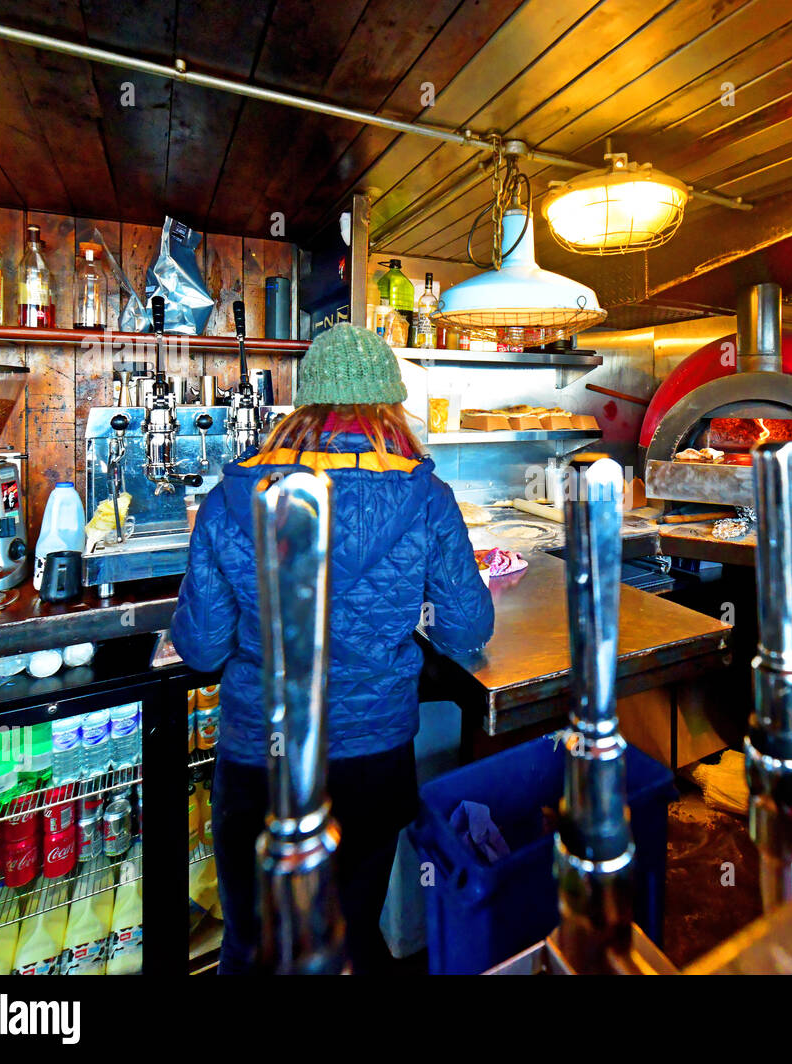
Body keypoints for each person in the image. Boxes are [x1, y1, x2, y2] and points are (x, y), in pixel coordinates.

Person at [171, 322, 494, 973]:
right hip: (372, 762)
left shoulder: (229, 497)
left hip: (260, 757)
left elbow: (201, 650)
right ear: (390, 407)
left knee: (250, 945)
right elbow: (465, 629)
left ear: (305, 403)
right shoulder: (427, 498)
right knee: (348, 933)